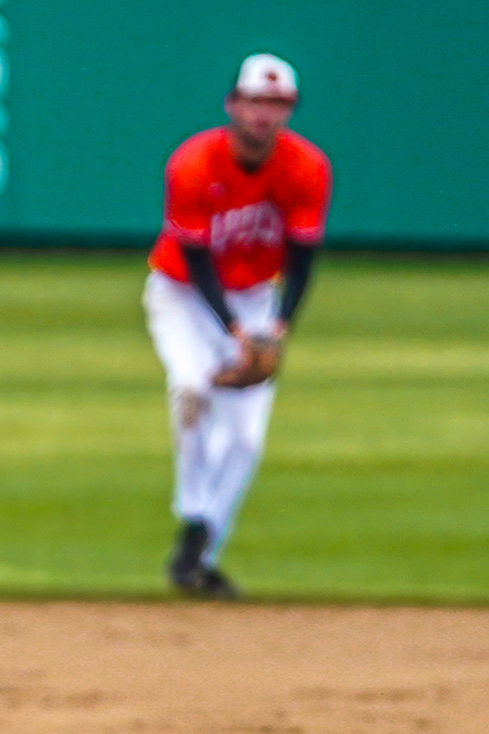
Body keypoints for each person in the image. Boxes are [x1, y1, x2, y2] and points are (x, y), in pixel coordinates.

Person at [145, 52, 332, 598]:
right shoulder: (193, 162)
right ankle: (193, 513)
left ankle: (200, 550)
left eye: (276, 103)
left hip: (255, 297)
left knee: (246, 439)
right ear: (232, 104)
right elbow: (196, 257)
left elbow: (302, 257)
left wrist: (278, 326)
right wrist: (233, 330)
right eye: (254, 101)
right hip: (183, 293)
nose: (263, 113)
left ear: (289, 110)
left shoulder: (307, 167)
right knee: (191, 388)